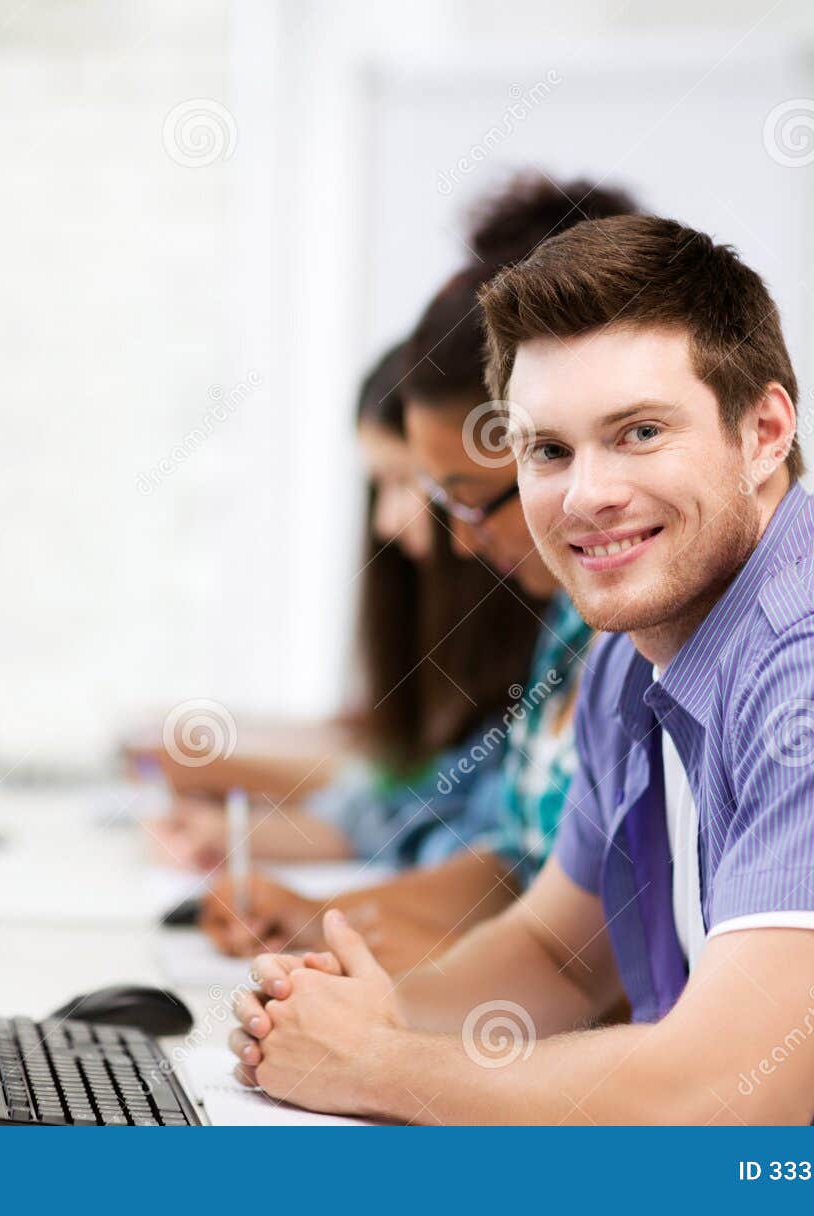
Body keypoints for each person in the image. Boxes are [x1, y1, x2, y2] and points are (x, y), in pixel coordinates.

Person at [227, 213, 814, 1124]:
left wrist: (383, 1069)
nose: (587, 495)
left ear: (764, 432)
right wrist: (360, 1018)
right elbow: (557, 954)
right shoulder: (633, 653)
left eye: (638, 433)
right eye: (549, 450)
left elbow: (729, 1100)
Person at [200, 174, 640, 971]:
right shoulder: (575, 622)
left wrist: (378, 1019)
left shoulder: (659, 641)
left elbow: (601, 967)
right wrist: (329, 927)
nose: (440, 535)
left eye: (453, 498)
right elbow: (522, 878)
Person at [149, 342, 545, 872]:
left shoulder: (548, 640)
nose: (385, 522)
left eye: (404, 481)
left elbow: (480, 847)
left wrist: (242, 811)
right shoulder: (470, 642)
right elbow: (404, 787)